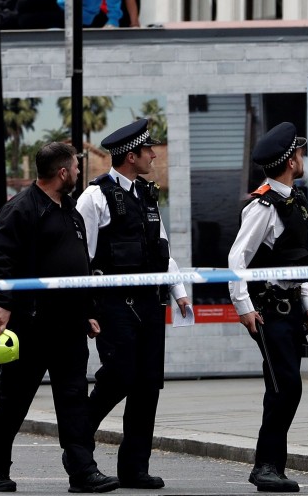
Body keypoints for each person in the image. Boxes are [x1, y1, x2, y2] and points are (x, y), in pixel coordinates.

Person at [0, 142, 120, 494]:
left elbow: (79, 267)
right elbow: (2, 263)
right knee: (14, 400)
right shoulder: (21, 210)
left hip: (69, 326)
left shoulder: (69, 211)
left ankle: (82, 472)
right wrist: (4, 305)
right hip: (30, 325)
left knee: (73, 399)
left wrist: (87, 311)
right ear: (62, 172)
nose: (77, 172)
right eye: (74, 167)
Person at [77, 118, 191, 490]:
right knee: (119, 377)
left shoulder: (147, 194)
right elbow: (84, 258)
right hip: (114, 304)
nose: (154, 155)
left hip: (149, 303)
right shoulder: (94, 197)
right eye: (148, 150)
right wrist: (88, 309)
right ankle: (77, 443)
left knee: (147, 385)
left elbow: (162, 250)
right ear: (130, 155)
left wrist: (179, 292)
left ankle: (134, 467)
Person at [228, 122, 308, 493]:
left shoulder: (293, 199)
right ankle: (266, 466)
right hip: (269, 311)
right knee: (286, 387)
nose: (301, 157)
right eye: (298, 153)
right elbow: (237, 257)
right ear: (291, 161)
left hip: (291, 310)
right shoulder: (263, 206)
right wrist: (243, 306)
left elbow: (299, 262)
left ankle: (271, 467)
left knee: (284, 387)